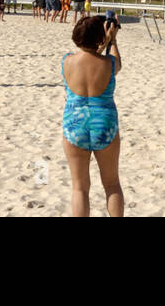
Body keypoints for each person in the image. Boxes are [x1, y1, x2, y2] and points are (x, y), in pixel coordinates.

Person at [61, 14, 124, 217]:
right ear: (100, 37)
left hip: (75, 124)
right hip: (104, 123)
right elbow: (111, 61)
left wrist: (99, 42)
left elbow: (88, 56)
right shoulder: (109, 64)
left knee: (80, 188)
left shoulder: (67, 61)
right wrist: (111, 40)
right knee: (112, 184)